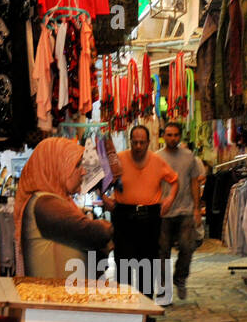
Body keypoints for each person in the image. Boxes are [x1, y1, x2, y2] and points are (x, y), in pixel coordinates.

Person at [14, 136, 113, 279]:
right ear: (57, 164)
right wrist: (107, 228)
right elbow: (96, 234)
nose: (84, 172)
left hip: (61, 296)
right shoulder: (45, 204)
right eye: (78, 165)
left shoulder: (53, 200)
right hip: (51, 297)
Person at [102, 125, 178, 304]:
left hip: (150, 216)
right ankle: (126, 306)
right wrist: (104, 197)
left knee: (148, 262)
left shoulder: (157, 161)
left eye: (141, 142)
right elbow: (100, 179)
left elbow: (175, 181)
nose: (138, 146)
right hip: (123, 214)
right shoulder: (119, 160)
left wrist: (170, 199)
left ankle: (145, 307)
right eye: (134, 142)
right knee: (123, 262)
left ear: (148, 143)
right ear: (130, 141)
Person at [154, 121, 206, 301]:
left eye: (176, 135)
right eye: (169, 135)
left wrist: (197, 210)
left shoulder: (189, 156)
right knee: (162, 253)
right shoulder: (156, 157)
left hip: (185, 210)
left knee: (187, 246)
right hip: (163, 212)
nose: (172, 138)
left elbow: (194, 182)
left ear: (180, 136)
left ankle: (180, 278)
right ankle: (163, 289)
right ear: (163, 136)